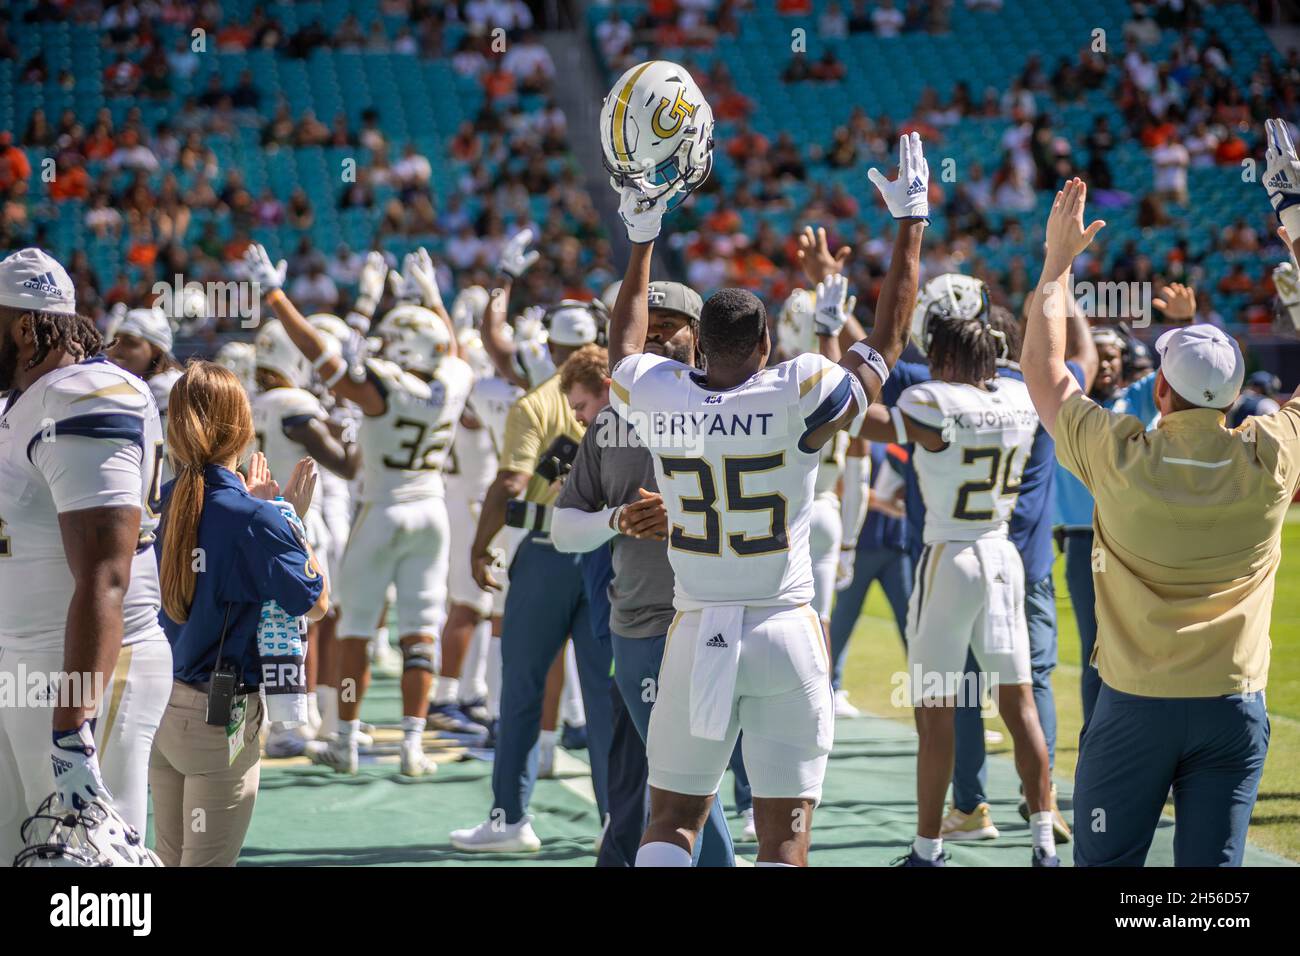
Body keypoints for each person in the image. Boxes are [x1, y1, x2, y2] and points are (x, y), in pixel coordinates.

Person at [607, 133, 928, 866]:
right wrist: (910, 222)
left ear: (697, 349)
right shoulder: (798, 389)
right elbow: (886, 342)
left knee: (672, 821)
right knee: (783, 837)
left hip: (694, 629)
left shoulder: (661, 392)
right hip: (785, 627)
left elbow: (623, 341)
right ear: (764, 347)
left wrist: (642, 237)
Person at [1018, 164, 1286, 865]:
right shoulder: (1268, 459)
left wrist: (1056, 265)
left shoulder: (1120, 453)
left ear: (1159, 391)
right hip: (1233, 703)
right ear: (1228, 400)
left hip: (1135, 704)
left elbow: (1043, 371)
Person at [243, 244, 472, 778]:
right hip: (431, 512)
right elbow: (453, 349)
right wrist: (436, 300)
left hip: (382, 508)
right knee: (420, 632)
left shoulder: (381, 391)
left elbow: (322, 355)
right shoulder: (454, 378)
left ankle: (343, 738)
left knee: (355, 630)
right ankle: (413, 747)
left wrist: (275, 297)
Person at [551, 286, 739, 867]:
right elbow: (564, 527)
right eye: (647, 322)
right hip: (642, 618)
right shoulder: (611, 420)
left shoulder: (737, 404)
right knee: (675, 776)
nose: (656, 332)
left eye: (672, 322)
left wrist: (681, 517)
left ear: (699, 333)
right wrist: (618, 518)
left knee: (690, 778)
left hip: (721, 610)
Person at [0, 248, 171, 860]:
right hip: (23, 665)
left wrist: (72, 728)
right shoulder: (27, 401)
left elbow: (106, 572)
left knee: (91, 877)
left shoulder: (84, 393)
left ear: (25, 326)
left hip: (86, 672)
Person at [149, 363, 328, 866]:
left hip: (161, 703)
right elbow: (315, 603)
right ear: (241, 428)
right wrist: (289, 516)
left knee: (167, 858)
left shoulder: (161, 501)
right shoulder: (254, 517)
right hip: (217, 716)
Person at [450, 325, 615, 854]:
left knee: (521, 689)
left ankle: (510, 817)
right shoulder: (635, 403)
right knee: (605, 698)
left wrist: (481, 545)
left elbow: (512, 483)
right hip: (609, 555)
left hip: (548, 552)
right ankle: (619, 819)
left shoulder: (536, 403)